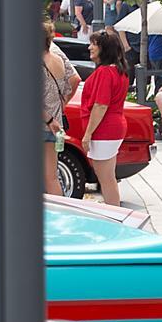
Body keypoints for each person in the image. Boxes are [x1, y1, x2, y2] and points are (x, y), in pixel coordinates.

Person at [79, 29, 129, 206]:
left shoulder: (105, 73)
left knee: (105, 178)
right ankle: (113, 211)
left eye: (94, 44)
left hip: (104, 130)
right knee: (108, 177)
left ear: (104, 48)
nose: (90, 47)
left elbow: (101, 105)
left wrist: (88, 134)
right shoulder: (118, 70)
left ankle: (114, 215)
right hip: (112, 127)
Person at [40, 22, 80, 197]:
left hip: (41, 123)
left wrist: (47, 118)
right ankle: (59, 212)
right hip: (54, 125)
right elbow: (74, 80)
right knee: (52, 177)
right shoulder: (58, 59)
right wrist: (63, 102)